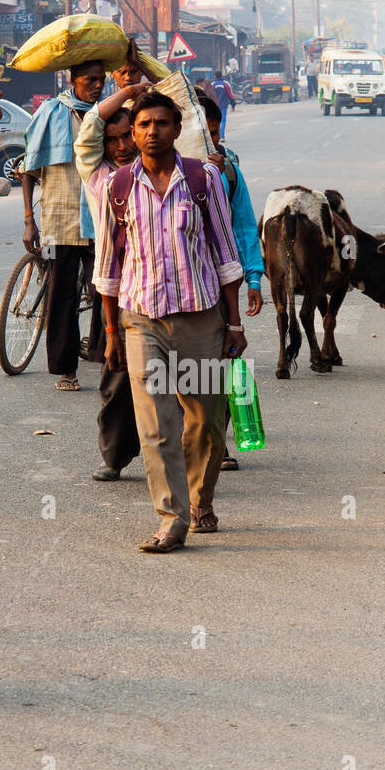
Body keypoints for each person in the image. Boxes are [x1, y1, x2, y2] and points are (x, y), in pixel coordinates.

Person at [93, 91, 246, 552]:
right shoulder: (117, 187)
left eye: (161, 123)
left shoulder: (203, 180)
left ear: (178, 130)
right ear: (133, 132)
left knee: (206, 421)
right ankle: (172, 518)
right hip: (142, 321)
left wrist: (234, 324)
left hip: (202, 320)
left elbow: (225, 254)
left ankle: (200, 500)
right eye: (143, 124)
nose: (151, 131)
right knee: (156, 424)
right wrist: (111, 333)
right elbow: (109, 268)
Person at [75, 79, 151, 482]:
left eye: (128, 136)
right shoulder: (98, 176)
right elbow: (89, 127)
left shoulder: (157, 168)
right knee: (117, 373)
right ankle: (115, 455)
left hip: (162, 284)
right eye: (114, 139)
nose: (122, 146)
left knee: (185, 374)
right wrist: (128, 91)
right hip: (117, 286)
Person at [21, 59, 106, 391]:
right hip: (60, 218)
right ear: (73, 79)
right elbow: (29, 170)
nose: (97, 85)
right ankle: (65, 368)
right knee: (62, 295)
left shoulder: (107, 113)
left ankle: (104, 359)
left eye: (101, 79)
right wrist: (29, 220)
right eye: (91, 79)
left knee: (104, 291)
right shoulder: (51, 112)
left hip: (100, 218)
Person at [199, 92, 264, 470]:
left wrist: (253, 277)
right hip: (171, 286)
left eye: (215, 135)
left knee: (219, 362)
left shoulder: (229, 168)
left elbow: (243, 223)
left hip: (220, 283)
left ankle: (215, 443)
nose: (213, 146)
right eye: (204, 138)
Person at [211, 70, 238, 140]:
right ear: (221, 76)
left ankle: (217, 136)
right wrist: (233, 104)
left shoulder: (213, 84)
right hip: (223, 105)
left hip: (214, 106)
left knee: (216, 121)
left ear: (215, 76)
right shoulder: (226, 84)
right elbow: (231, 95)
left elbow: (210, 95)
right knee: (222, 121)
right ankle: (222, 136)